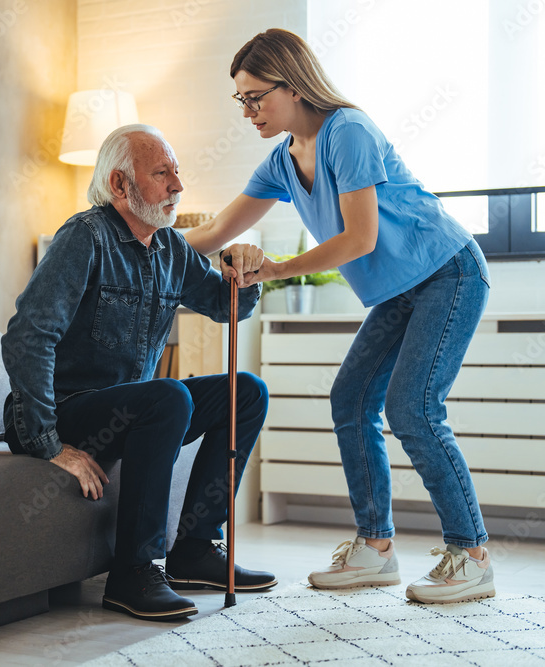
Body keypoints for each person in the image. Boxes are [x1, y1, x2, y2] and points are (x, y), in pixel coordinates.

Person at [185, 29, 495, 605]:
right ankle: (376, 549)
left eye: (256, 96)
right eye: (241, 100)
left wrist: (275, 270)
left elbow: (360, 237)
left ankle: (471, 556)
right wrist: (138, 237)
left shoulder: (346, 132)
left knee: (414, 408)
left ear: (293, 83)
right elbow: (211, 233)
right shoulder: (282, 160)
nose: (248, 110)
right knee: (350, 399)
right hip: (398, 294)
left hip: (446, 272)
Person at [0, 123, 276, 621]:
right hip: (67, 412)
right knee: (167, 395)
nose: (177, 185)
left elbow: (224, 306)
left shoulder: (169, 248)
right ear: (120, 186)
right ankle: (133, 574)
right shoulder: (84, 238)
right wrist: (46, 441)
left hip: (136, 410)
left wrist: (247, 273)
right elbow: (27, 337)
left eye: (177, 172)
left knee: (247, 391)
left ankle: (193, 550)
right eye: (161, 173)